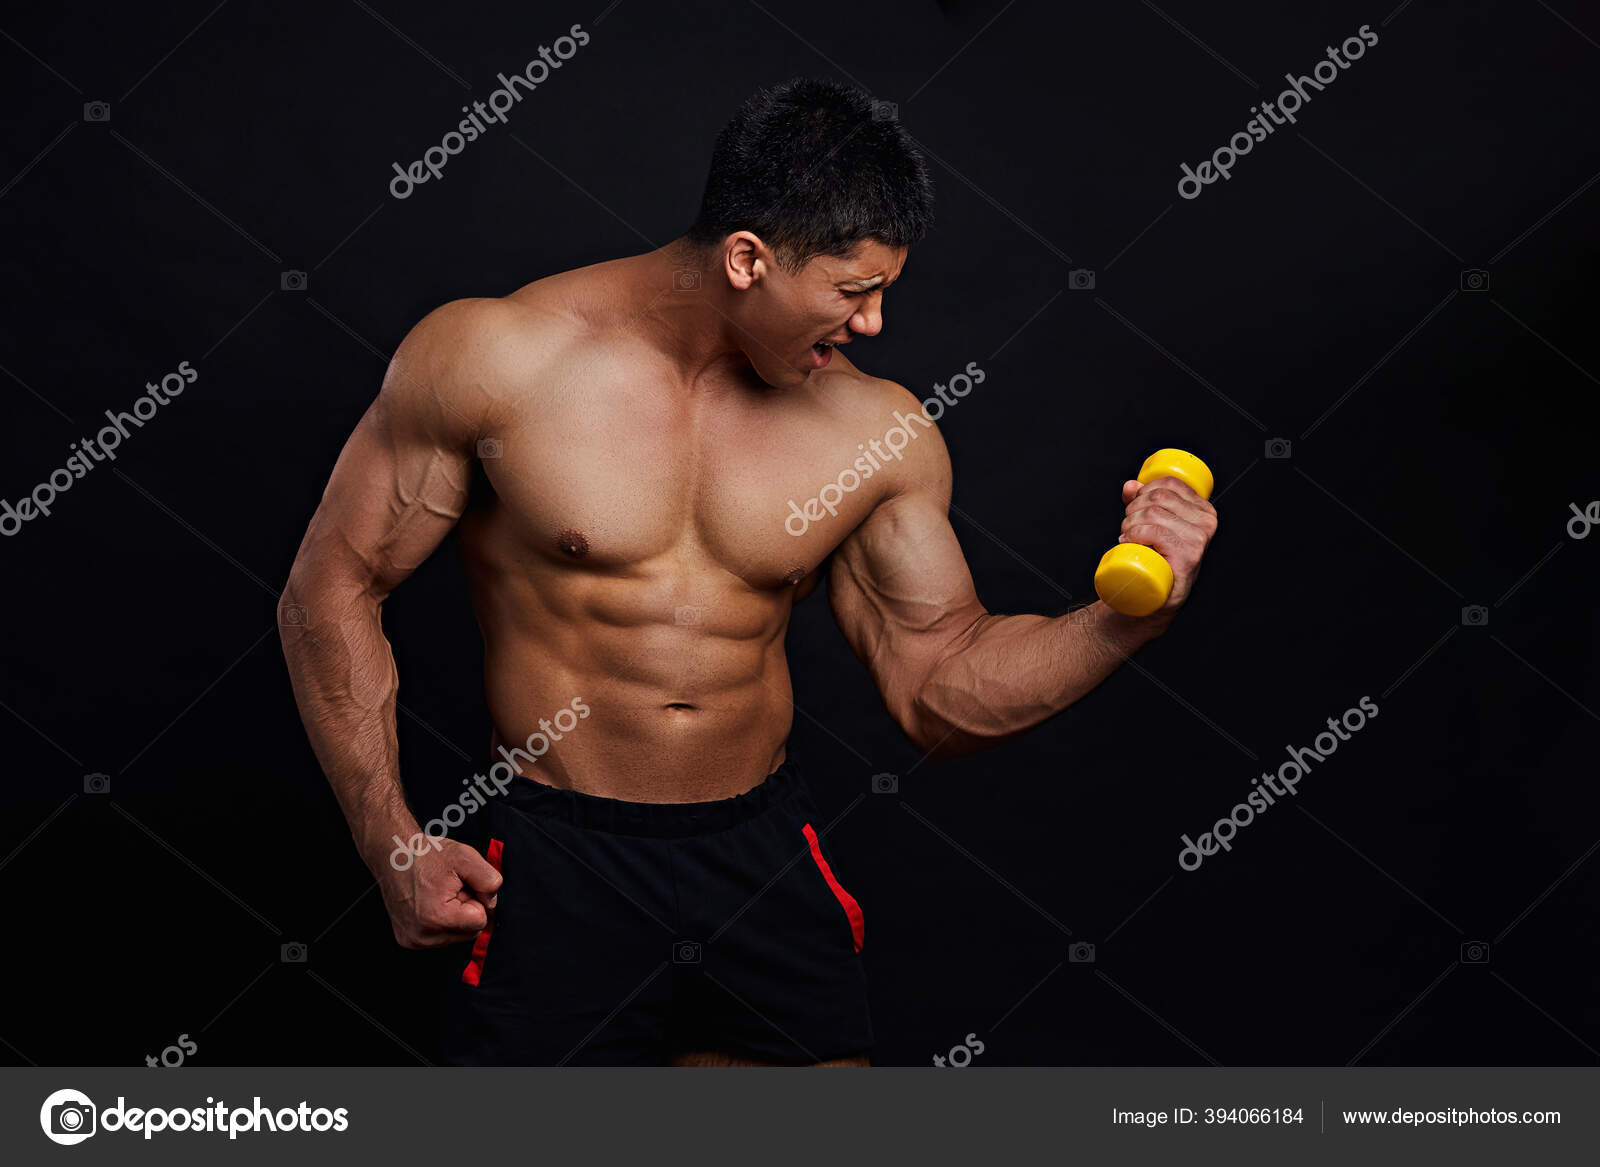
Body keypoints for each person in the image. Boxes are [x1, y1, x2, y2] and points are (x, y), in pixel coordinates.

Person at [279, 77, 1219, 1066]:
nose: (872, 326)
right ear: (746, 259)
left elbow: (939, 687)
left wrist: (1123, 620)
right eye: (853, 292)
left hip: (757, 861)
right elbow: (330, 589)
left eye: (884, 292)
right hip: (558, 865)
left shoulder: (875, 432)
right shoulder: (495, 361)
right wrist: (392, 845)